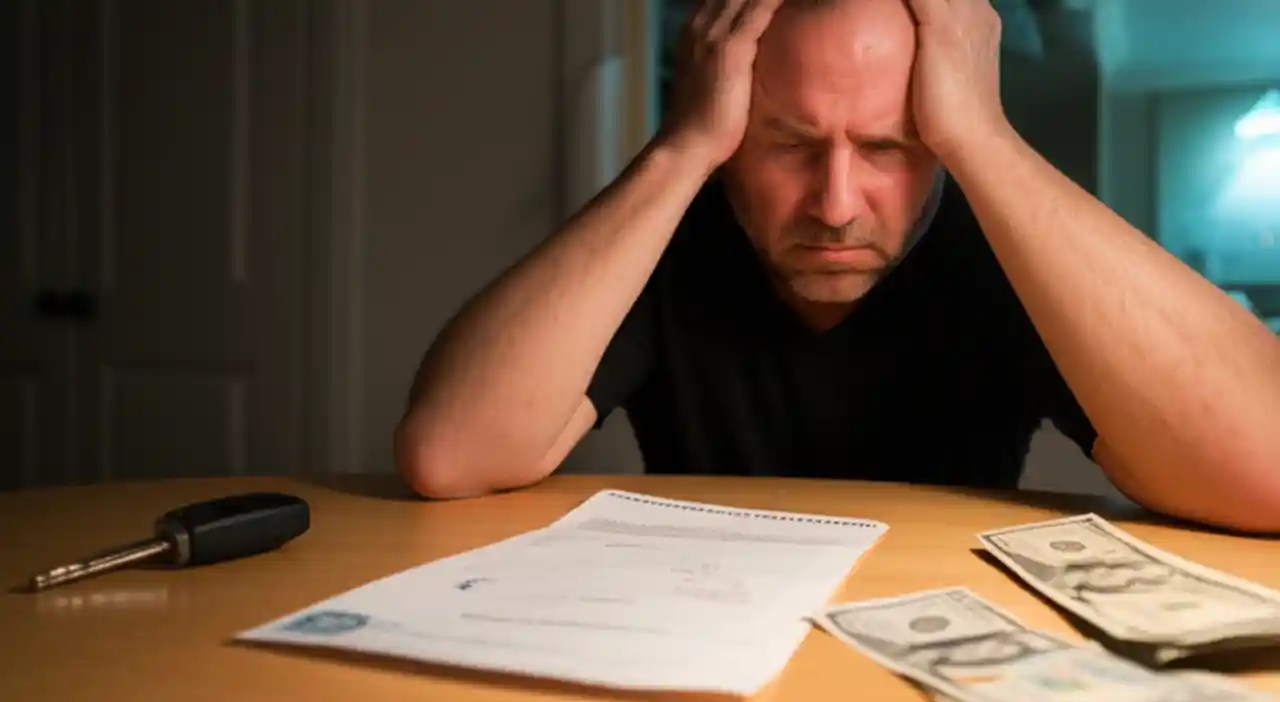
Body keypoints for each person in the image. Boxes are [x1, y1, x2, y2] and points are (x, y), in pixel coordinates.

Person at [394, 0, 1280, 532]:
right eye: (785, 143)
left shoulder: (1003, 253)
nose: (836, 204)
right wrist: (680, 148)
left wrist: (983, 135)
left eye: (892, 145)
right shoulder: (671, 240)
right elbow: (449, 454)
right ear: (732, 130)